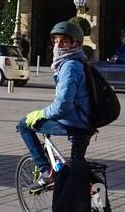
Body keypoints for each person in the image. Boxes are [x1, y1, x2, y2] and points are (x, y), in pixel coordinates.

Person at [16, 21, 93, 190]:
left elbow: (62, 106)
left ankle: (46, 172)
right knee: (77, 169)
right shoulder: (81, 63)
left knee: (24, 125)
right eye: (56, 41)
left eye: (64, 41)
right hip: (88, 122)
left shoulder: (69, 66)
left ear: (75, 44)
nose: (58, 45)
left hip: (73, 123)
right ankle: (91, 200)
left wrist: (40, 114)